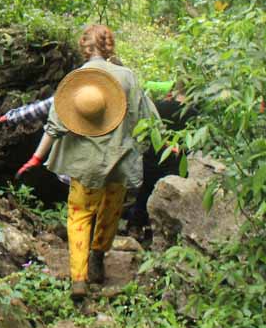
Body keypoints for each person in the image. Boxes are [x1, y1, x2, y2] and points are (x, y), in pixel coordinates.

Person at [15, 24, 160, 300]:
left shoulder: (76, 80)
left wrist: (36, 158)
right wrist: (156, 147)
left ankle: (78, 279)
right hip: (119, 161)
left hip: (85, 166)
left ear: (85, 46)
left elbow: (54, 125)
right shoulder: (128, 77)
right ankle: (98, 255)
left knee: (79, 216)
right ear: (109, 46)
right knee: (110, 212)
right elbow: (149, 119)